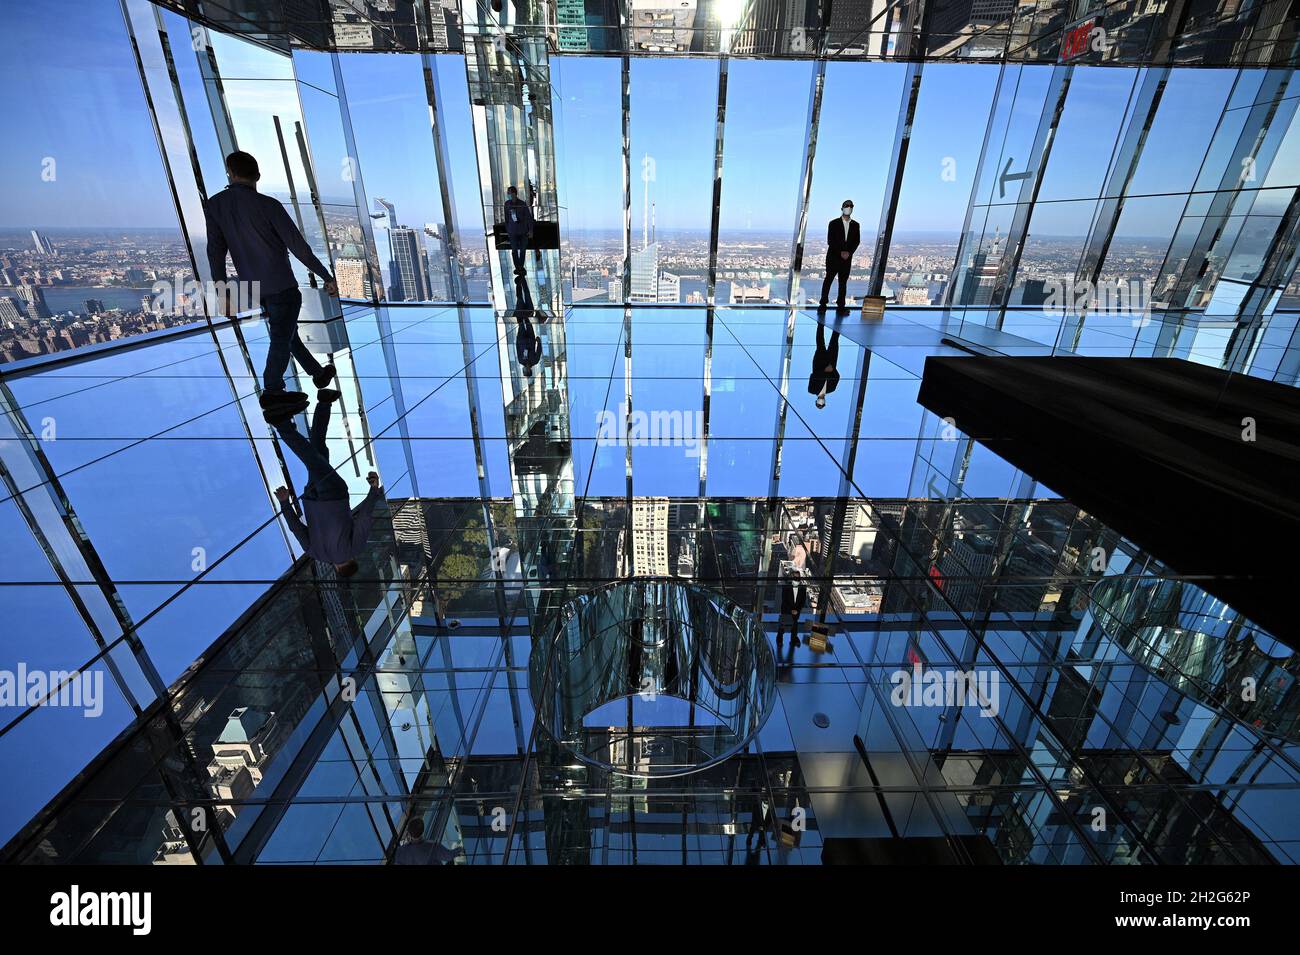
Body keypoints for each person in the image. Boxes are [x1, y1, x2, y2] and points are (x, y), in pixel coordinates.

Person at [204, 151, 339, 406]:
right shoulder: (269, 206)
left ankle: (319, 374)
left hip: (255, 288)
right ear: (257, 175)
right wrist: (326, 276)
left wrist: (223, 293)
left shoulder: (215, 205)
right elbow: (299, 247)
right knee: (281, 336)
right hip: (282, 285)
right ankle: (273, 390)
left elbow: (215, 252)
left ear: (230, 174)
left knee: (287, 333)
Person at [273, 390, 381, 578]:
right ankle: (324, 402)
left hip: (334, 496)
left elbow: (364, 519)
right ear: (337, 568)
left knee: (313, 457)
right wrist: (284, 502)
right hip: (312, 497)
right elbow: (295, 527)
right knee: (319, 451)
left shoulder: (354, 549)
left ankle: (281, 424)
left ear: (353, 561)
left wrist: (373, 490)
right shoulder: (315, 553)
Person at [819, 199, 860, 312]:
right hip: (833, 257)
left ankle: (841, 305)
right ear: (842, 208)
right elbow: (830, 241)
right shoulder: (833, 223)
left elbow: (856, 241)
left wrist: (849, 253)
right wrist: (840, 252)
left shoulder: (856, 225)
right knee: (828, 280)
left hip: (847, 259)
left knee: (843, 283)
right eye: (847, 206)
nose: (849, 208)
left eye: (851, 206)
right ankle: (823, 304)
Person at [393, 817, 457, 865]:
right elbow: (449, 856)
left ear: (409, 832)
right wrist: (460, 849)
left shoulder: (400, 851)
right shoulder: (433, 846)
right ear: (423, 831)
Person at [503, 185, 535, 278]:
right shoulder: (507, 204)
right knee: (514, 250)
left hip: (523, 231)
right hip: (512, 231)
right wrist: (508, 229)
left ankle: (520, 266)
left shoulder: (522, 204)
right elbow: (507, 217)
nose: (507, 194)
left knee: (523, 250)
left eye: (508, 192)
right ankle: (518, 267)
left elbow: (529, 218)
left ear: (513, 193)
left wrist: (530, 230)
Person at [807, 323, 841, 409]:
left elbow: (812, 376)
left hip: (819, 362)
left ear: (816, 401)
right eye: (822, 404)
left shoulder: (812, 390)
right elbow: (837, 377)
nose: (821, 402)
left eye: (819, 404)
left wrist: (825, 371)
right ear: (825, 402)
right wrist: (832, 369)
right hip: (831, 363)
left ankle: (820, 323)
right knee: (835, 340)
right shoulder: (831, 389)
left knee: (820, 341)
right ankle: (838, 321)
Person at [776, 569, 807, 657]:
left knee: (795, 626)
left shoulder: (803, 588)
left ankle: (793, 640)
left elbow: (803, 601)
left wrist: (797, 610)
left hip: (796, 611)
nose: (796, 580)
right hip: (786, 610)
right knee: (782, 626)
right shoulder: (786, 587)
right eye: (795, 578)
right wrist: (791, 610)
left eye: (798, 578)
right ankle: (779, 640)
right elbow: (784, 600)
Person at [515, 311, 542, 377]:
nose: (524, 370)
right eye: (525, 371)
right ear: (529, 370)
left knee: (521, 324)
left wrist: (517, 339)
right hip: (531, 339)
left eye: (523, 371)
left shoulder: (521, 361)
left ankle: (520, 310)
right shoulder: (535, 361)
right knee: (528, 323)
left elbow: (517, 349)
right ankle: (526, 311)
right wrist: (539, 342)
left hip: (521, 340)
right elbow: (539, 351)